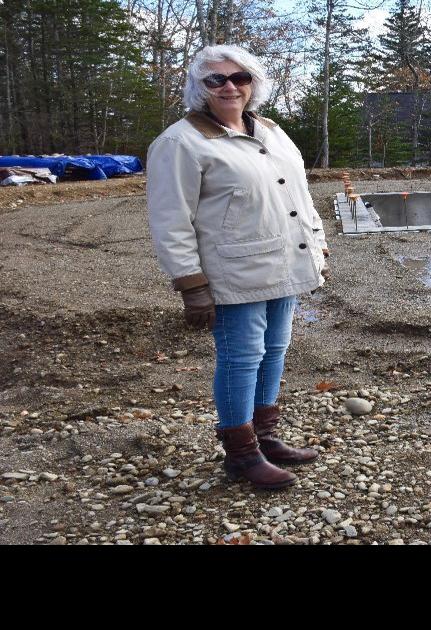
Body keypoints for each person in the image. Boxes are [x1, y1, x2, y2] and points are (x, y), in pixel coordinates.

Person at [147, 44, 330, 490]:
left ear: (253, 84)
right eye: (217, 79)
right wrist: (191, 286)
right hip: (234, 274)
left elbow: (299, 195)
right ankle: (241, 454)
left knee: (274, 351)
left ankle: (266, 437)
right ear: (200, 87)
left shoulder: (270, 130)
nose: (230, 86)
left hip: (285, 264)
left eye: (240, 77)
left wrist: (318, 244)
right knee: (241, 358)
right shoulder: (180, 142)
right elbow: (170, 220)